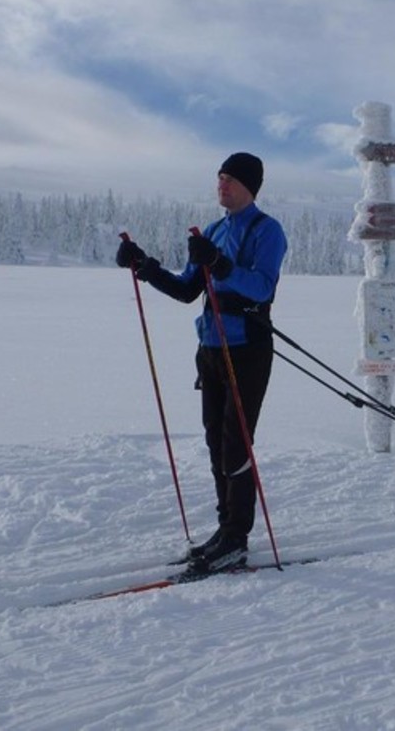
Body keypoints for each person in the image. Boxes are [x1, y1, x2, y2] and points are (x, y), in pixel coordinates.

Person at [116, 152, 287, 572]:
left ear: (250, 186)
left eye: (230, 179)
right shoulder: (213, 230)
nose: (221, 185)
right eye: (219, 178)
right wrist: (144, 266)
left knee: (235, 445)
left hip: (247, 348)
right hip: (210, 348)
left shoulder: (267, 231)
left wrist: (220, 264)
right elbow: (187, 290)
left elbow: (261, 287)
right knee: (216, 441)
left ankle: (237, 537)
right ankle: (224, 529)